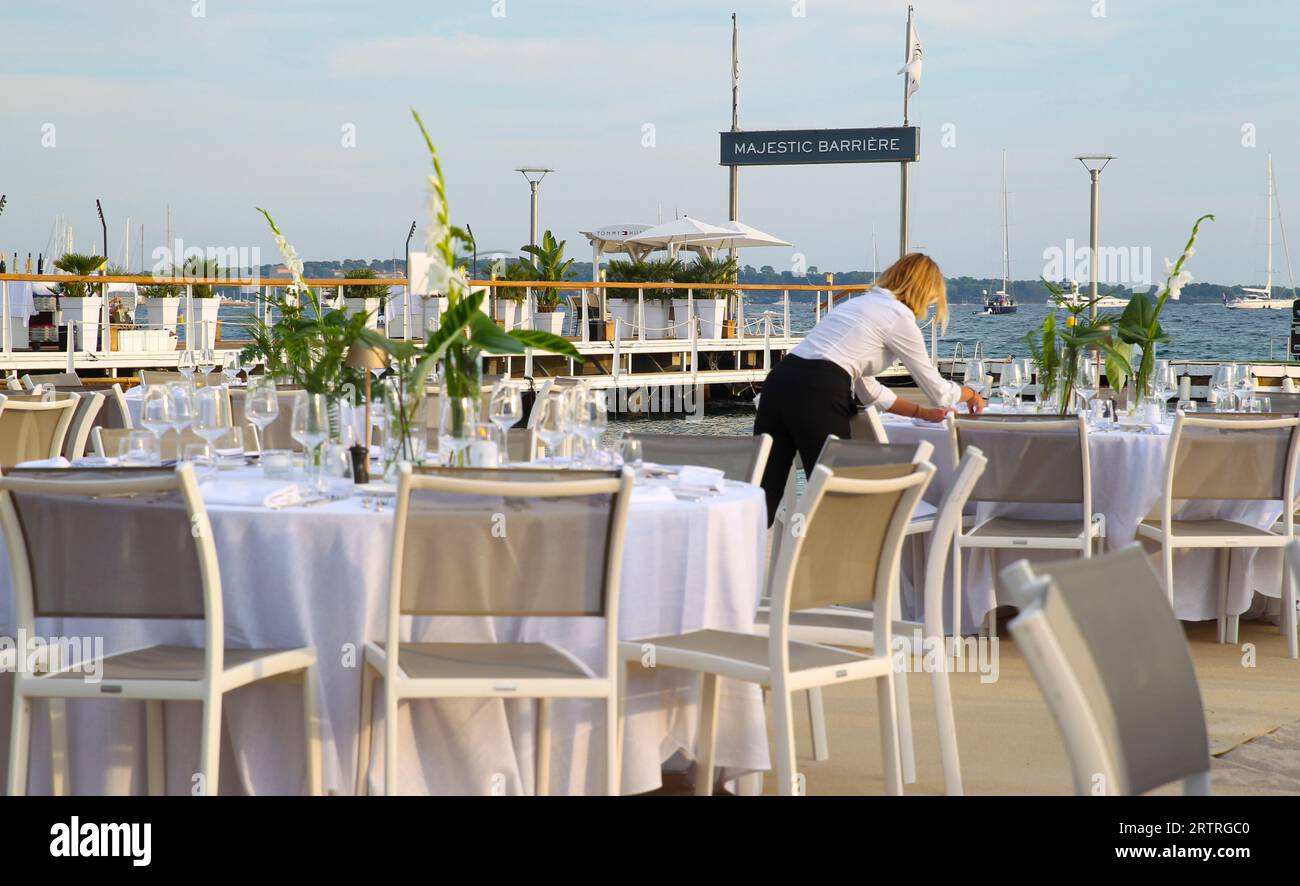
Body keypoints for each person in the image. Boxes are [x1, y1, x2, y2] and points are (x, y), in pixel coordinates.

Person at [754, 252, 985, 523]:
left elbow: (868, 390)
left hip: (780, 380)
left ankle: (737, 561)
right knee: (836, 495)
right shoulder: (899, 318)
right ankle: (831, 562)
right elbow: (940, 393)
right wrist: (971, 393)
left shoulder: (859, 305)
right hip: (818, 390)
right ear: (926, 291)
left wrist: (921, 413)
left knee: (762, 496)